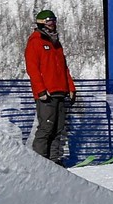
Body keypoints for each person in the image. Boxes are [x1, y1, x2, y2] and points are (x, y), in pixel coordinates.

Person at [23, 8, 76, 163]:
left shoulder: (56, 43)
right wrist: (40, 90)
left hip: (61, 91)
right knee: (46, 128)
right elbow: (32, 69)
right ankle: (40, 162)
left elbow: (64, 68)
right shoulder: (35, 42)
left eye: (54, 20)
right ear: (41, 23)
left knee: (58, 129)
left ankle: (54, 161)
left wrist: (71, 88)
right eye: (49, 21)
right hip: (47, 93)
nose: (53, 24)